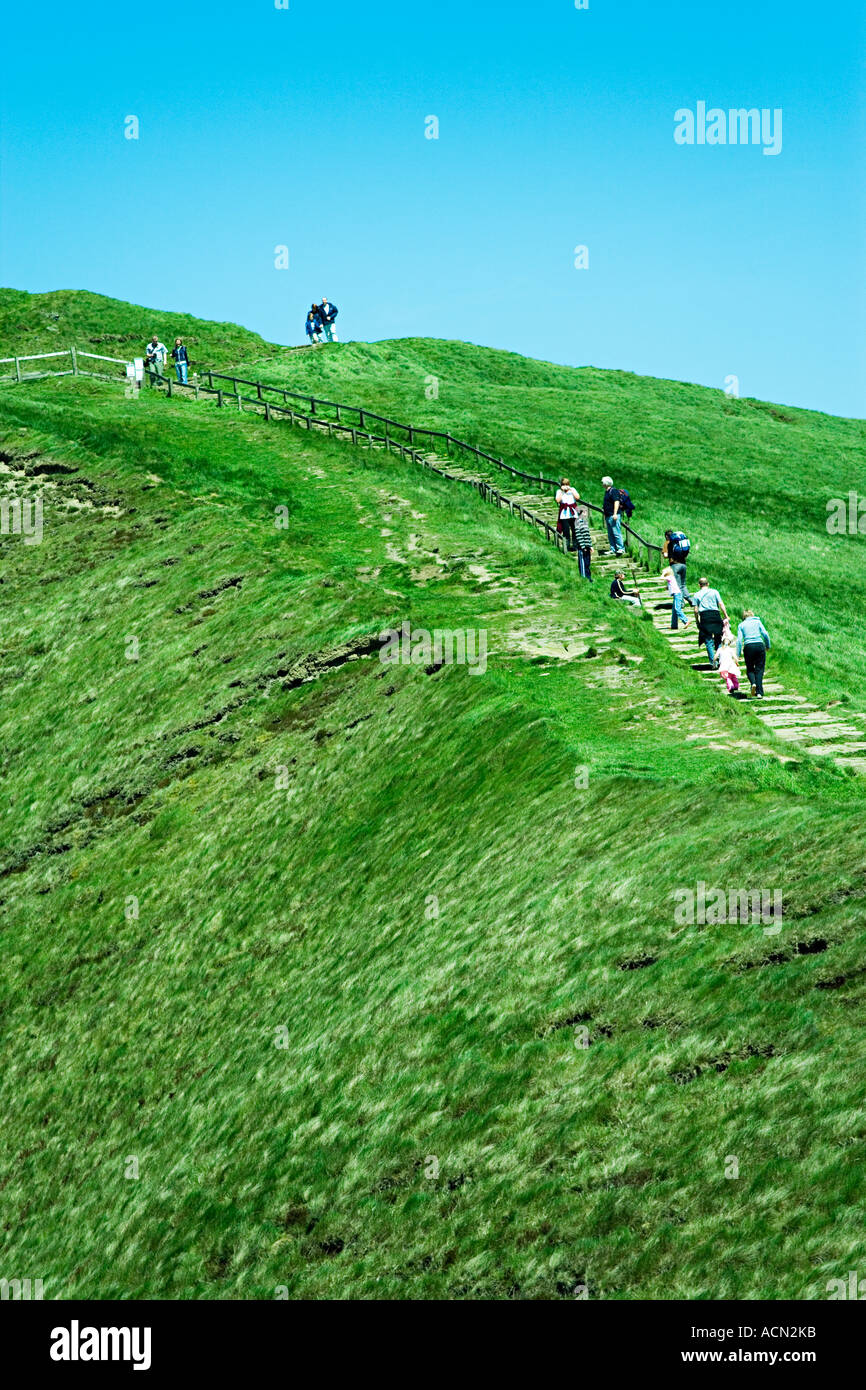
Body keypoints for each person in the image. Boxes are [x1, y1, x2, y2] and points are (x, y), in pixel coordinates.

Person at [692, 576, 729, 666]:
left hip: (705, 617)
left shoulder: (696, 595)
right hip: (715, 615)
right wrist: (726, 616)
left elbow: (696, 610)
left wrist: (697, 621)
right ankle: (721, 660)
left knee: (708, 640)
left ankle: (713, 662)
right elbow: (721, 604)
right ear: (708, 584)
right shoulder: (714, 592)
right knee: (718, 638)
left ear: (699, 585)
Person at [736, 609, 771, 698]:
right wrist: (767, 645)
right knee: (759, 669)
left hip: (748, 647)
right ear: (752, 615)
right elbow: (765, 634)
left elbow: (739, 640)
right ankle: (759, 692)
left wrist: (738, 653)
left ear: (744, 617)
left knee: (750, 668)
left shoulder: (741, 625)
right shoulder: (757, 622)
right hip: (759, 645)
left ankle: (753, 683)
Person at [662, 529, 694, 610]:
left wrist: (668, 554)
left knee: (677, 586)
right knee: (683, 585)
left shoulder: (668, 543)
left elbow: (665, 555)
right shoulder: (679, 543)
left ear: (666, 536)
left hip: (675, 565)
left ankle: (681, 603)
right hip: (683, 565)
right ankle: (691, 600)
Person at [601, 476, 625, 556]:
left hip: (613, 515)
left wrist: (615, 513)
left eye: (602, 482)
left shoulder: (613, 491)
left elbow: (616, 502)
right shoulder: (607, 492)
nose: (602, 484)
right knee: (610, 533)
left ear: (606, 483)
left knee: (616, 532)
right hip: (608, 515)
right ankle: (613, 548)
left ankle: (621, 548)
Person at [555, 478, 580, 552]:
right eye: (563, 485)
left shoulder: (572, 489)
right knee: (566, 531)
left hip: (573, 513)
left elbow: (577, 497)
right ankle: (567, 546)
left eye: (567, 484)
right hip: (564, 514)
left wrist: (571, 490)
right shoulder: (559, 491)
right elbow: (557, 500)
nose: (565, 486)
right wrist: (562, 491)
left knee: (575, 530)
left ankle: (575, 545)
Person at [573, 506, 593, 580]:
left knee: (587, 562)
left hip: (587, 546)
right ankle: (584, 577)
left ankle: (589, 577)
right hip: (582, 547)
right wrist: (583, 546)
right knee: (583, 562)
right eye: (585, 512)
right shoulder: (577, 522)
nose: (586, 514)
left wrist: (590, 546)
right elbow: (579, 535)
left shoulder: (585, 522)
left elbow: (587, 535)